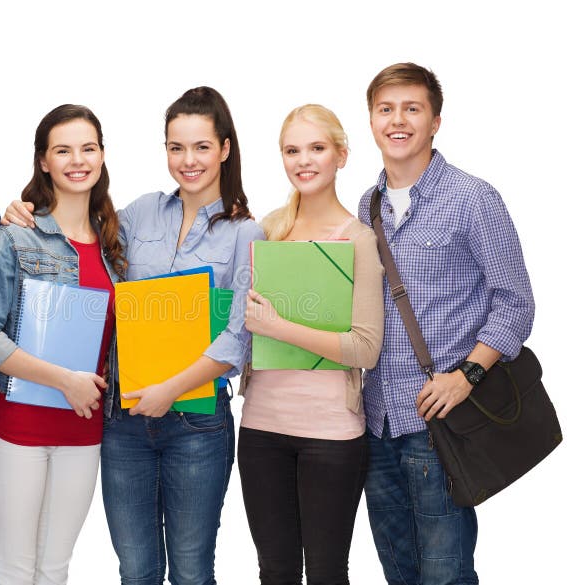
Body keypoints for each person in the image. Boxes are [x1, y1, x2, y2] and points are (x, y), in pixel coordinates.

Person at [5, 86, 265, 585]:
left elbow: (239, 337)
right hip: (124, 423)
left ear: (225, 149)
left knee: (191, 571)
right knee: (136, 570)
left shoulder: (245, 234)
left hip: (197, 423)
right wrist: (22, 213)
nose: (188, 160)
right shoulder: (139, 213)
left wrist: (171, 390)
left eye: (201, 147)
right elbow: (76, 241)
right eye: (176, 147)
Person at [357, 63, 535, 585]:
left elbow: (515, 305)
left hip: (442, 425)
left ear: (435, 121)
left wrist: (466, 376)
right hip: (377, 422)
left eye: (412, 108)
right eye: (386, 109)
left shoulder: (473, 198)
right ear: (371, 120)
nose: (398, 121)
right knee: (400, 574)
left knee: (446, 575)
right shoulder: (365, 209)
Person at [0, 104, 121, 585]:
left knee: (54, 570)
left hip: (85, 431)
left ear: (102, 155)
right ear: (44, 162)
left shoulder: (118, 246)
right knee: (13, 570)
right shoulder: (17, 236)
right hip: (19, 428)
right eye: (63, 149)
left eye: (88, 148)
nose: (78, 159)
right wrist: (64, 381)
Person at [239, 104, 384, 585]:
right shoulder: (267, 231)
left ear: (341, 155)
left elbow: (365, 348)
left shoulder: (359, 240)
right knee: (275, 571)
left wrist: (277, 327)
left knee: (325, 573)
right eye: (292, 150)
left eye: (317, 148)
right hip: (261, 428)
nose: (304, 160)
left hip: (331, 434)